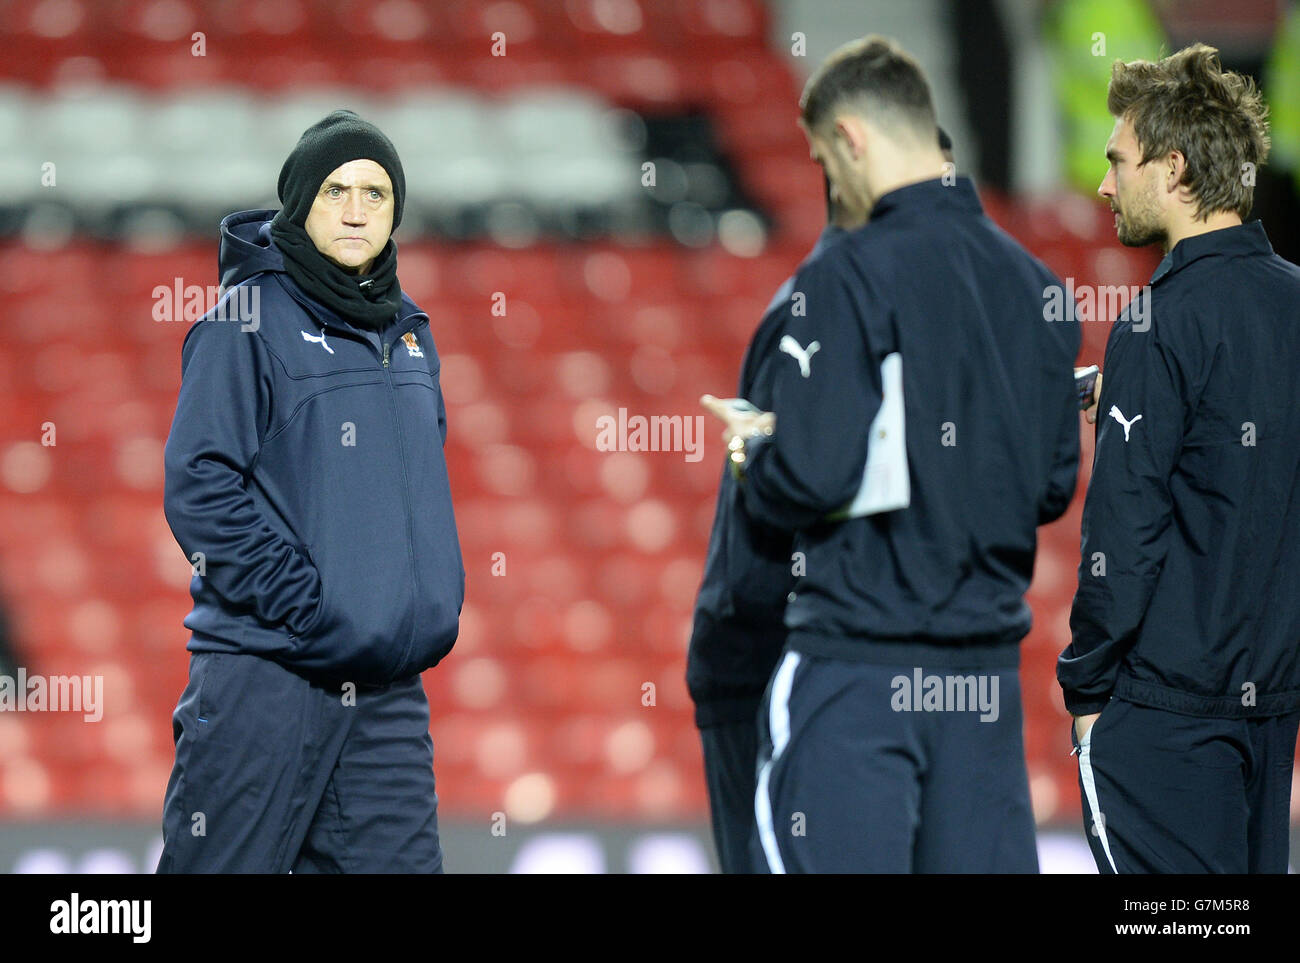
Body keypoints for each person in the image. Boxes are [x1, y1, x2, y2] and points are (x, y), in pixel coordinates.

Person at [702, 35, 1081, 873]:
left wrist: (753, 457)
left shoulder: (842, 278)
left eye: (821, 159)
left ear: (852, 138)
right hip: (982, 687)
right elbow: (1052, 486)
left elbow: (814, 472)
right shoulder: (1041, 289)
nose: (828, 183)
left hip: (858, 672)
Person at [157, 110, 464, 873]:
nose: (357, 208)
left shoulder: (411, 333)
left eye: (376, 192)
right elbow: (199, 486)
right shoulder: (245, 321)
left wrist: (403, 609)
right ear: (299, 203)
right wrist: (311, 605)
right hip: (269, 674)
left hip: (387, 691)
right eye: (336, 190)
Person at [1058, 44, 1300, 874]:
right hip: (1271, 719)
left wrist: (1087, 691)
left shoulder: (1157, 322)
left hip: (1166, 724)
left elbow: (1123, 537)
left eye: (1116, 161)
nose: (1104, 185)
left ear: (1173, 166)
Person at [689, 132, 954, 875]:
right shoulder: (818, 314)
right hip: (776, 660)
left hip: (837, 666)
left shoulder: (898, 310)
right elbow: (788, 502)